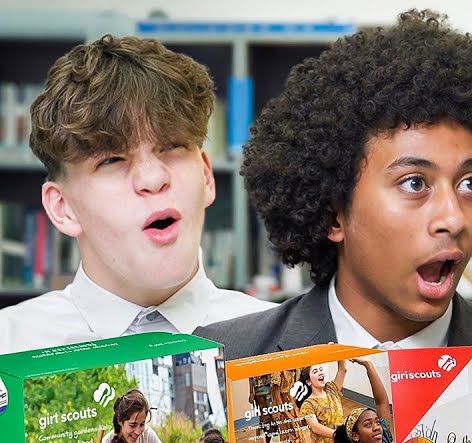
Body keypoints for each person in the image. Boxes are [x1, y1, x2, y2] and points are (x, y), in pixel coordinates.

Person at [196, 11, 472, 358]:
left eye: (470, 184)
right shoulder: (227, 361)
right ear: (335, 215)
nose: (453, 219)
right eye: (414, 183)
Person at [0, 34, 271, 353]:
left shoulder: (286, 350)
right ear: (63, 209)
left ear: (206, 176)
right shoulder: (9, 347)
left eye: (172, 146)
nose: (154, 178)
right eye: (112, 159)